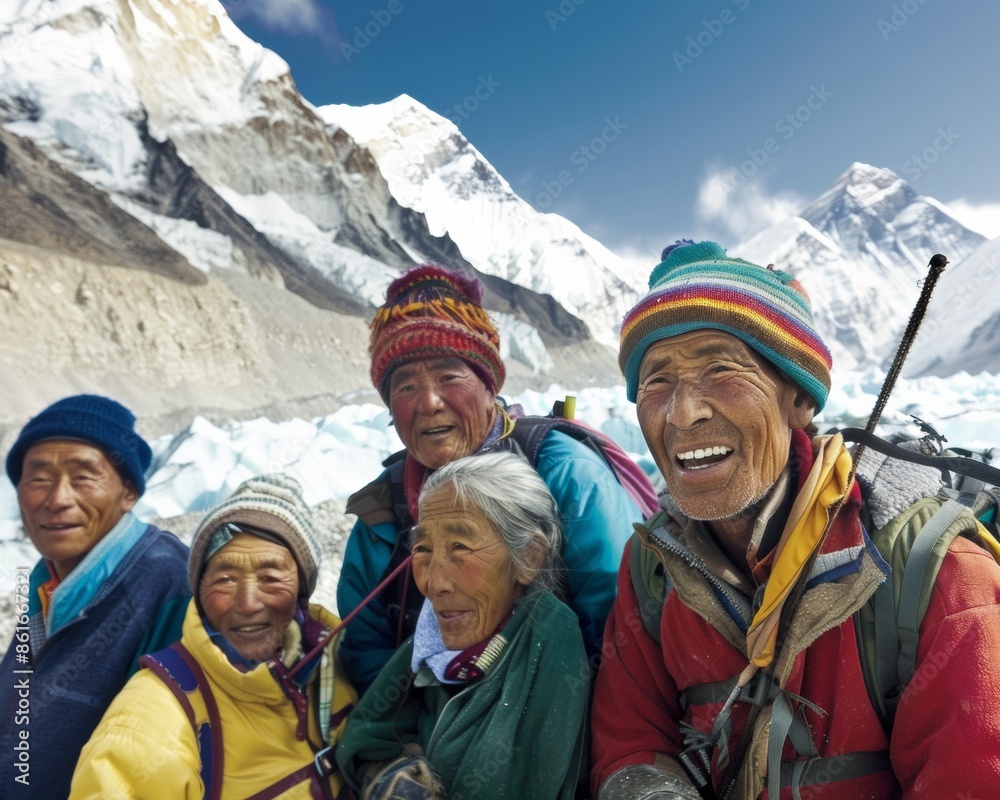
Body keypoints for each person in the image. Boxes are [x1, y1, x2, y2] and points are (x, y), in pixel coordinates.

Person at [590, 240, 1000, 799]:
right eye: (656, 380)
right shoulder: (653, 567)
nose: (683, 411)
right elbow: (628, 738)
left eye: (720, 368)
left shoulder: (937, 577)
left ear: (799, 401)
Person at [337, 263, 644, 692]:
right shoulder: (382, 513)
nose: (428, 402)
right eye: (405, 386)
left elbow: (623, 631)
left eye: (448, 376)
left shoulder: (563, 472)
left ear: (488, 383)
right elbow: (366, 651)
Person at [70, 473, 358, 799]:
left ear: (302, 590)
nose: (248, 604)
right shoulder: (149, 721)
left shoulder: (339, 662)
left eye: (270, 577)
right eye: (225, 579)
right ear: (199, 591)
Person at [337, 452, 589, 800]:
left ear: (529, 557)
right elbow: (367, 735)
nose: (435, 583)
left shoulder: (548, 641)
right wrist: (391, 776)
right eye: (423, 548)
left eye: (460, 547)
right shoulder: (431, 636)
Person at [0, 394, 190, 798]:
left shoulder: (168, 582)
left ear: (128, 493)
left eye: (84, 476)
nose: (57, 498)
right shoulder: (47, 585)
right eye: (37, 478)